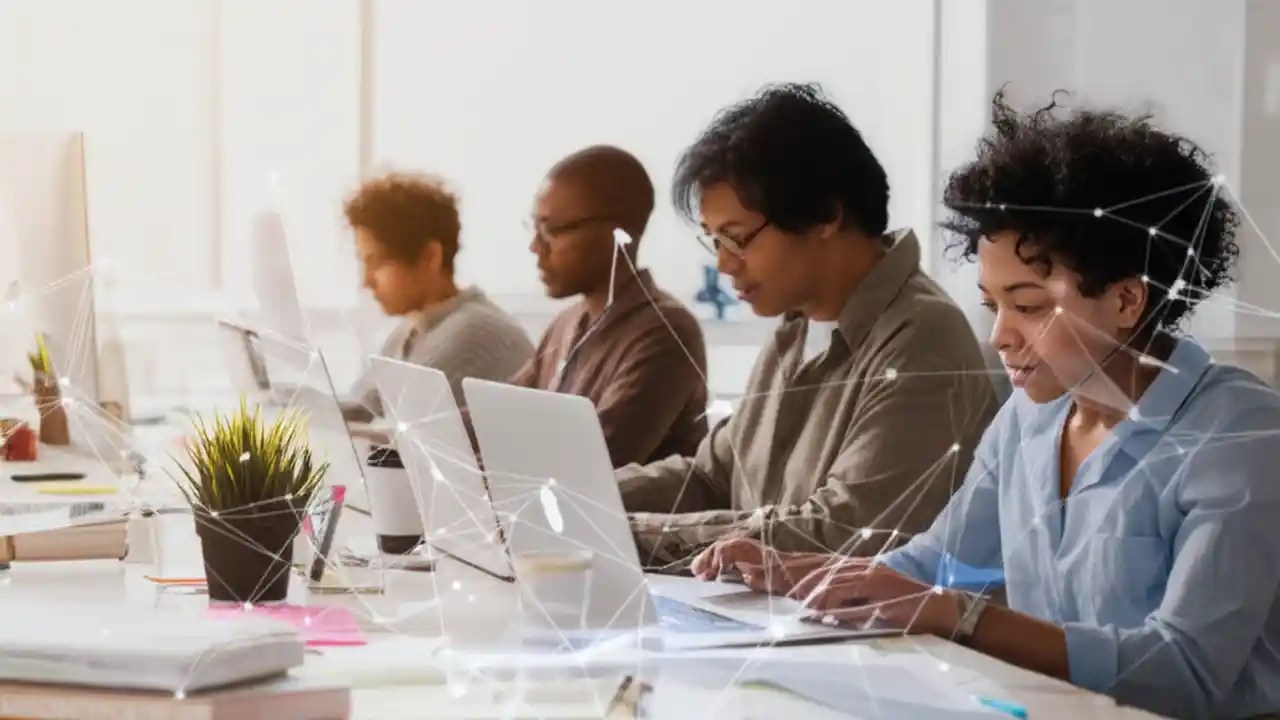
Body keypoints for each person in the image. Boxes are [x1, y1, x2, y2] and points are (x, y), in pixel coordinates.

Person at [700, 92, 1280, 719]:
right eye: (992, 304)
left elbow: (1182, 671)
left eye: (1028, 306)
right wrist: (803, 573)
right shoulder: (1031, 417)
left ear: (1126, 300)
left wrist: (961, 616)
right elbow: (935, 564)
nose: (1000, 335)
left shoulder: (1241, 437)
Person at [621, 83, 997, 571]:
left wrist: (620, 531)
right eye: (714, 242)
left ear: (825, 215)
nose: (725, 265)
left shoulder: (922, 340)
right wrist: (578, 495)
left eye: (738, 240)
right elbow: (712, 477)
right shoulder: (797, 327)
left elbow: (840, 532)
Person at [510, 146, 708, 467]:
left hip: (626, 517)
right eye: (534, 227)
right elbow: (500, 414)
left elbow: (594, 459)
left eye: (552, 229)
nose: (535, 246)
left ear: (618, 234)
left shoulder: (665, 332)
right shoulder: (566, 323)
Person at [344, 173, 532, 420]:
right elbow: (364, 407)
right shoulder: (413, 328)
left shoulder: (475, 334)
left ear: (431, 257)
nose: (366, 281)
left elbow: (395, 429)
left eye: (377, 262)